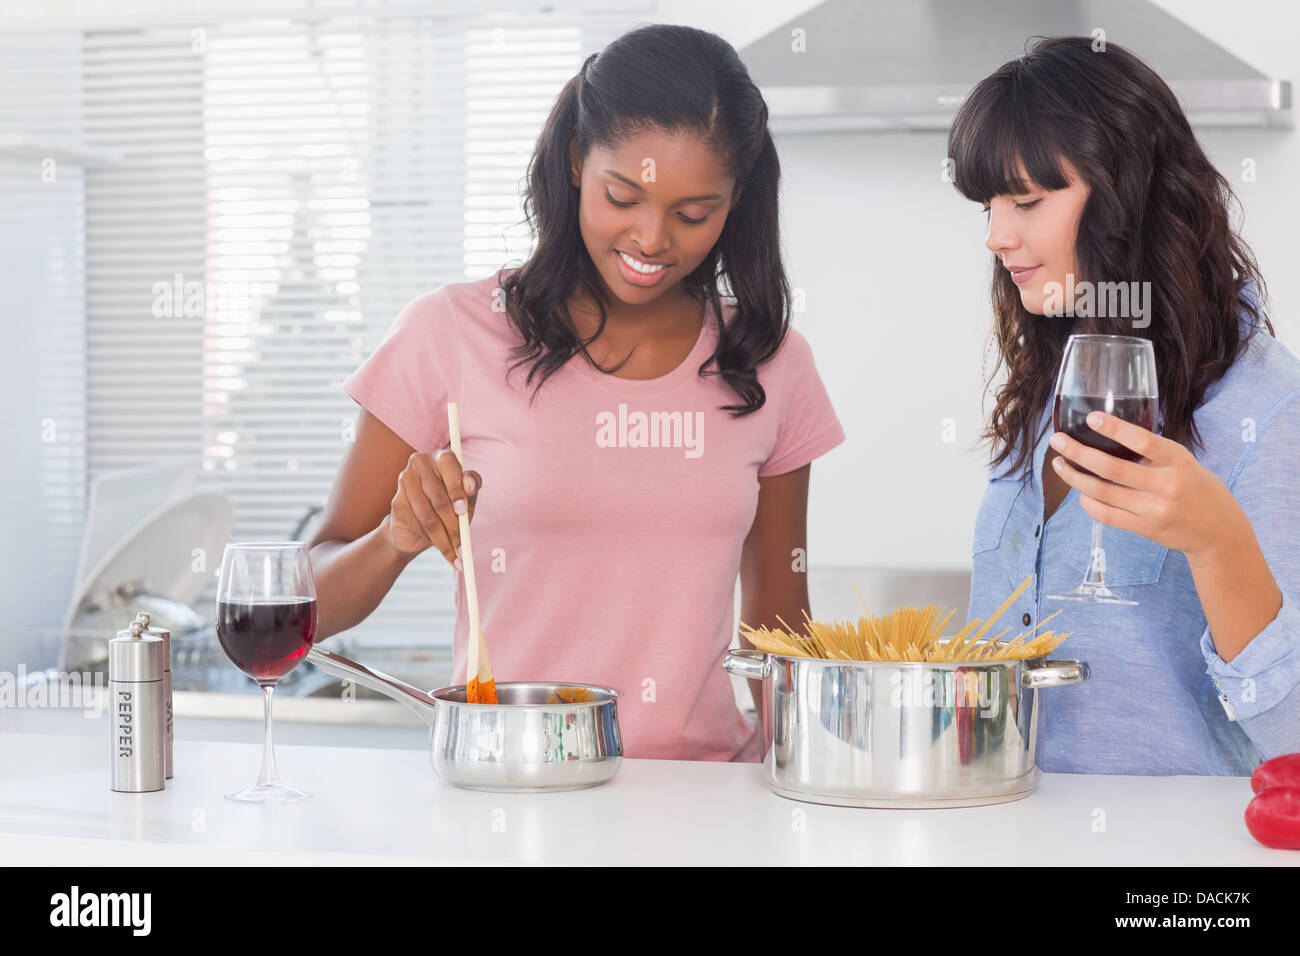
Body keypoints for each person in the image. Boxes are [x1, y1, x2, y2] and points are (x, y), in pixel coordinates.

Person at [306, 24, 844, 761]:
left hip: (710, 806)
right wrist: (394, 540)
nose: (653, 239)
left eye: (695, 214)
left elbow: (781, 624)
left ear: (736, 200)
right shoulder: (449, 334)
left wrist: (812, 799)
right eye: (622, 196)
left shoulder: (771, 361)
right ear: (574, 162)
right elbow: (307, 603)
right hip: (514, 793)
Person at [948, 36, 1300, 775]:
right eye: (989, 205)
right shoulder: (1054, 376)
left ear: (1128, 192)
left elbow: (1295, 739)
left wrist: (1217, 543)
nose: (995, 236)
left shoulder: (1263, 412)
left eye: (1028, 201)